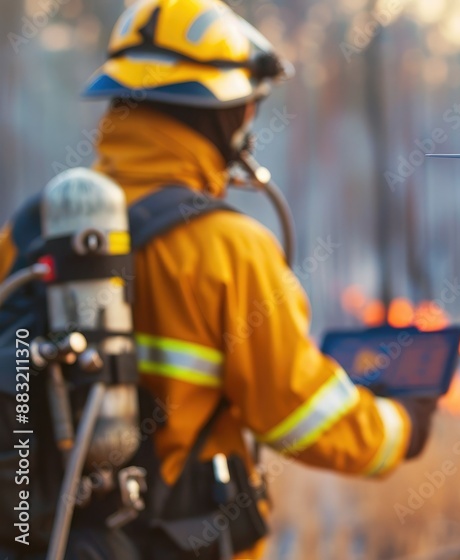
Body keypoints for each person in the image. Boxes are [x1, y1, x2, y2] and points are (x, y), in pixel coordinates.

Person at [0, 0, 435, 557]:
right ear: (219, 113)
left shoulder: (31, 227)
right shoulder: (230, 247)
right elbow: (300, 413)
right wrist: (403, 426)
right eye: (247, 109)